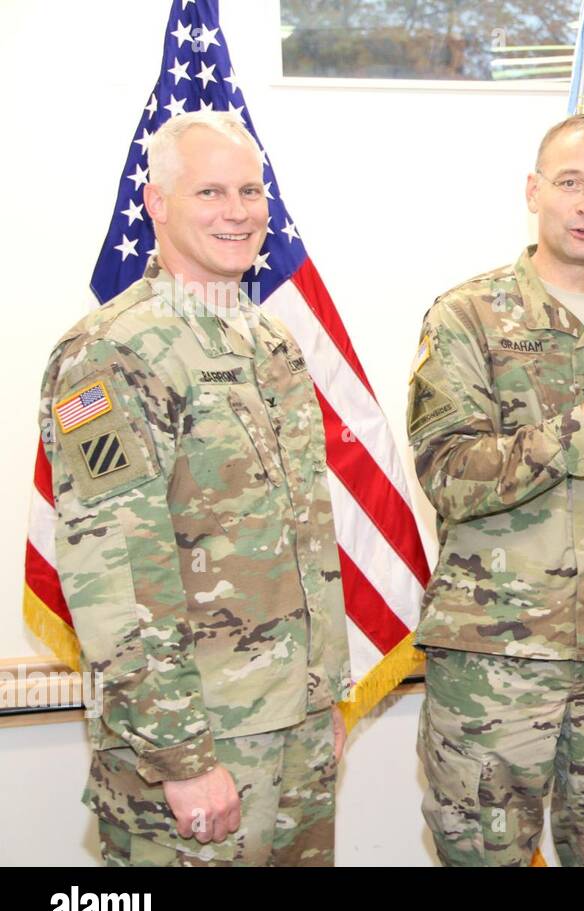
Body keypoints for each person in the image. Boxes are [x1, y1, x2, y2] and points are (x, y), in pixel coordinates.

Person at [40, 111, 350, 866]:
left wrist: (323, 698)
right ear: (156, 203)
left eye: (251, 191)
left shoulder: (269, 339)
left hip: (295, 726)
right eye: (210, 191)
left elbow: (299, 539)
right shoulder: (112, 352)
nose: (237, 212)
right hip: (196, 740)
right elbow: (115, 573)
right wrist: (181, 757)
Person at [407, 114, 584, 866]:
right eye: (570, 184)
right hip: (493, 666)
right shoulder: (466, 317)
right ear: (534, 192)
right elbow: (448, 473)